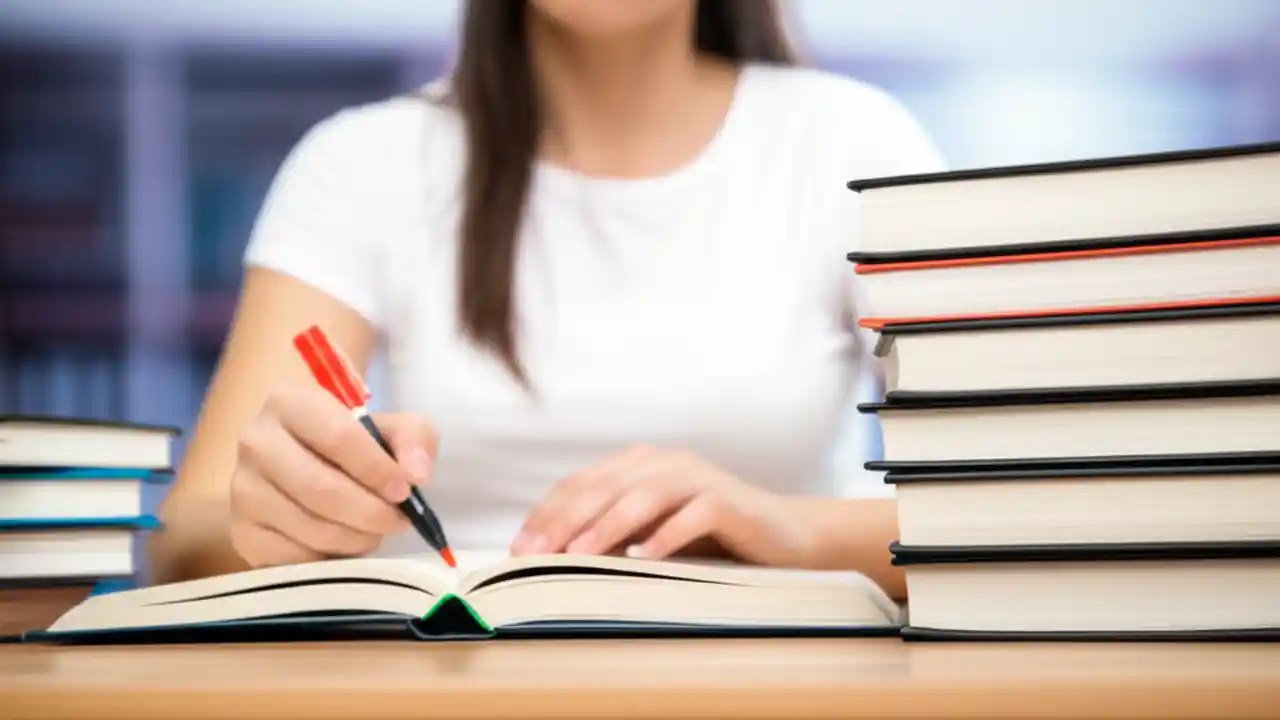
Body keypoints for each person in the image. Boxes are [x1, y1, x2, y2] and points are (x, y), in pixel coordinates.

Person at [150, 0, 942, 599]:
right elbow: (185, 538)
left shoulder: (852, 140)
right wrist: (281, 512)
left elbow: (1005, 514)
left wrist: (786, 529)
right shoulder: (361, 162)